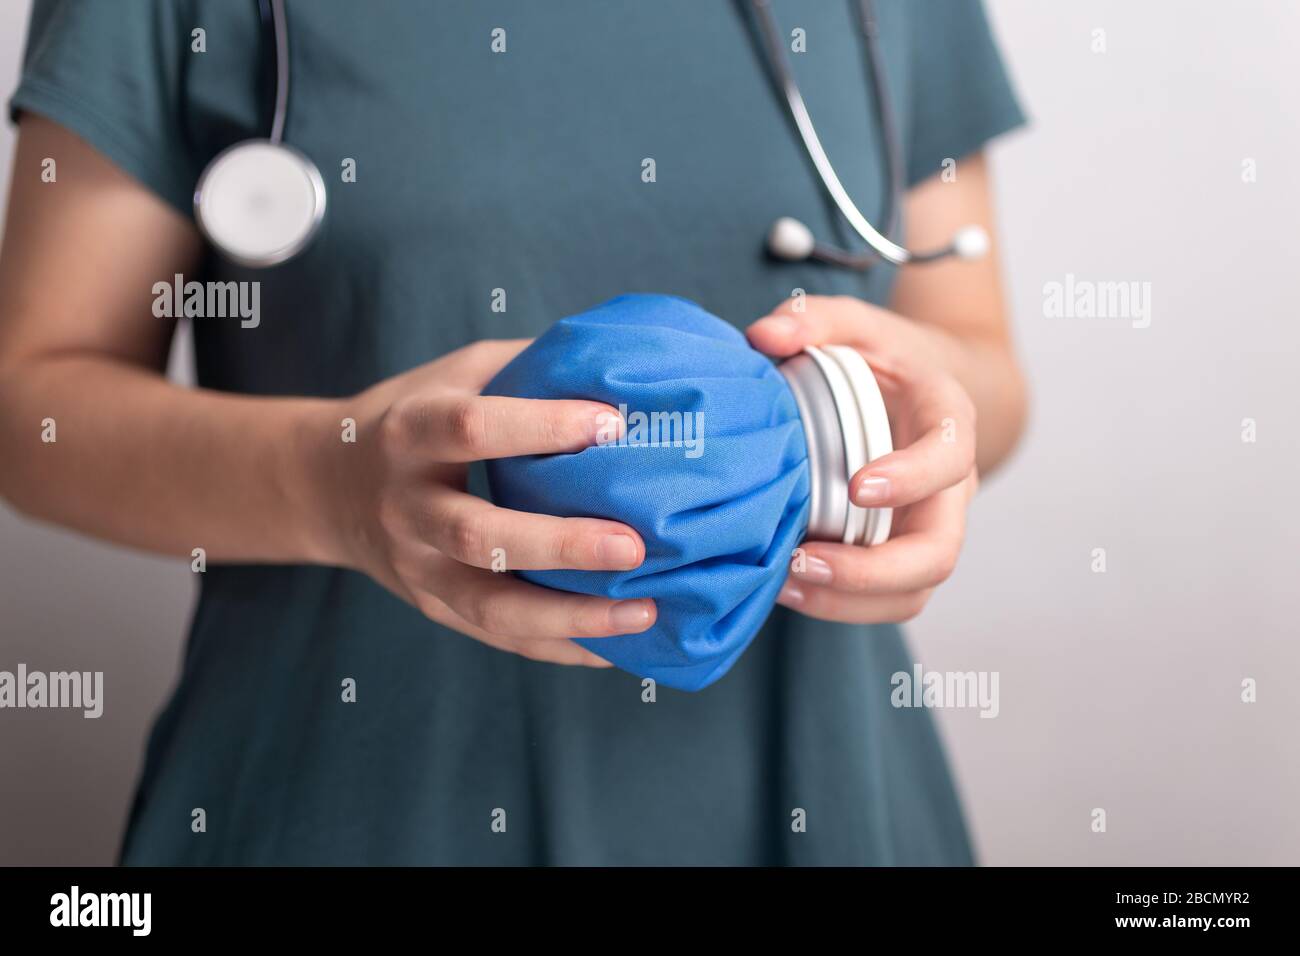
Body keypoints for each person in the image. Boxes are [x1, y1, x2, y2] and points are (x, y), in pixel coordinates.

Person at [0, 0, 1027, 864]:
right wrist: (334, 485)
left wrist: (887, 437)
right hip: (352, 797)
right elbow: (28, 407)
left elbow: (978, 358)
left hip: (818, 793)